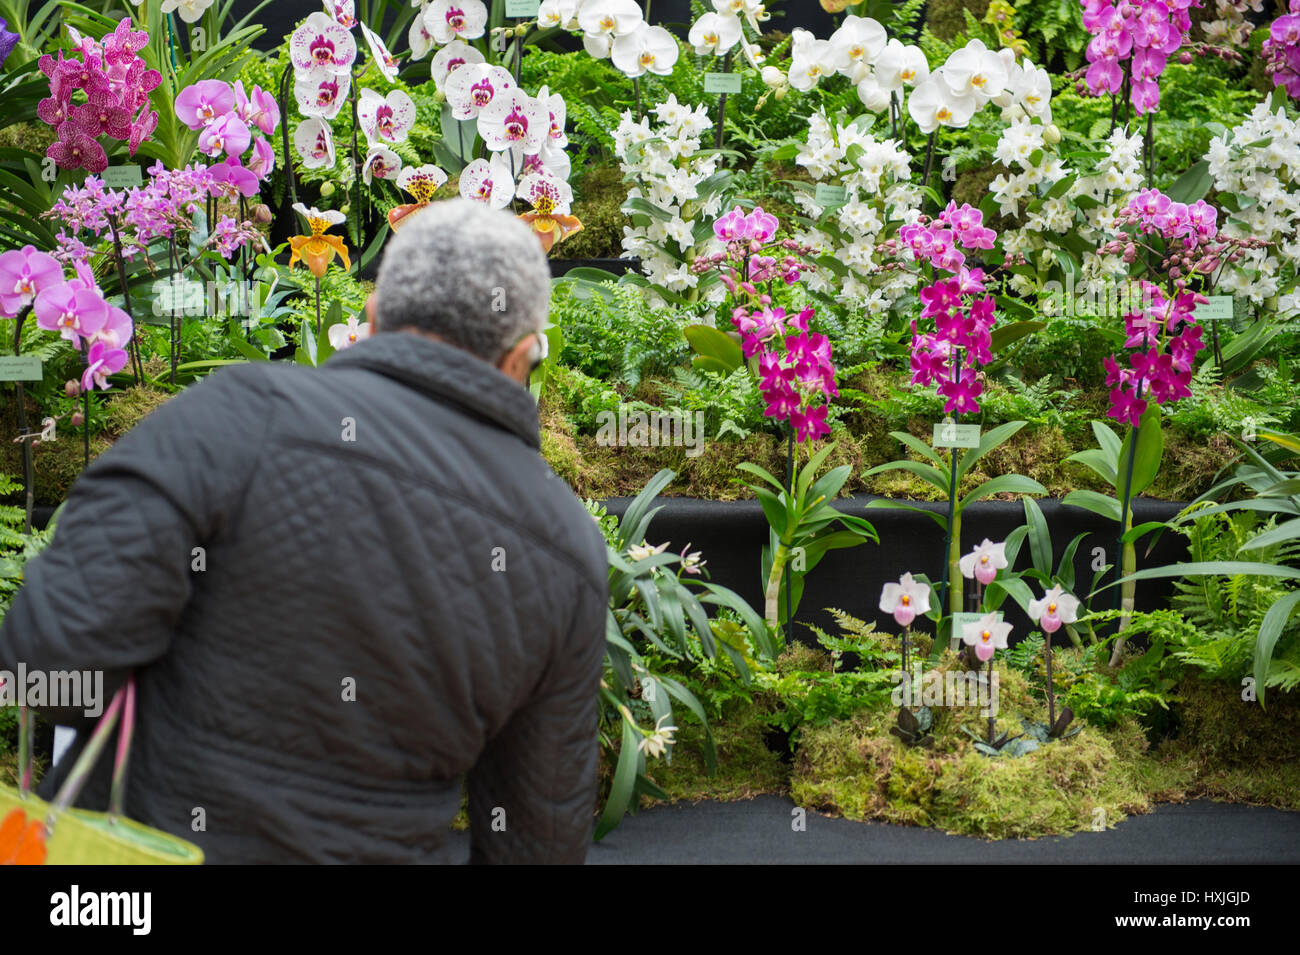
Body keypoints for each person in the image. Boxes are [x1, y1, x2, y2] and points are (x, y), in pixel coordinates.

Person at [0, 199, 609, 864]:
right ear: (522, 357)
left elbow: (46, 659)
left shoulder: (236, 414)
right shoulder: (565, 545)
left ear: (373, 319)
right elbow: (539, 837)